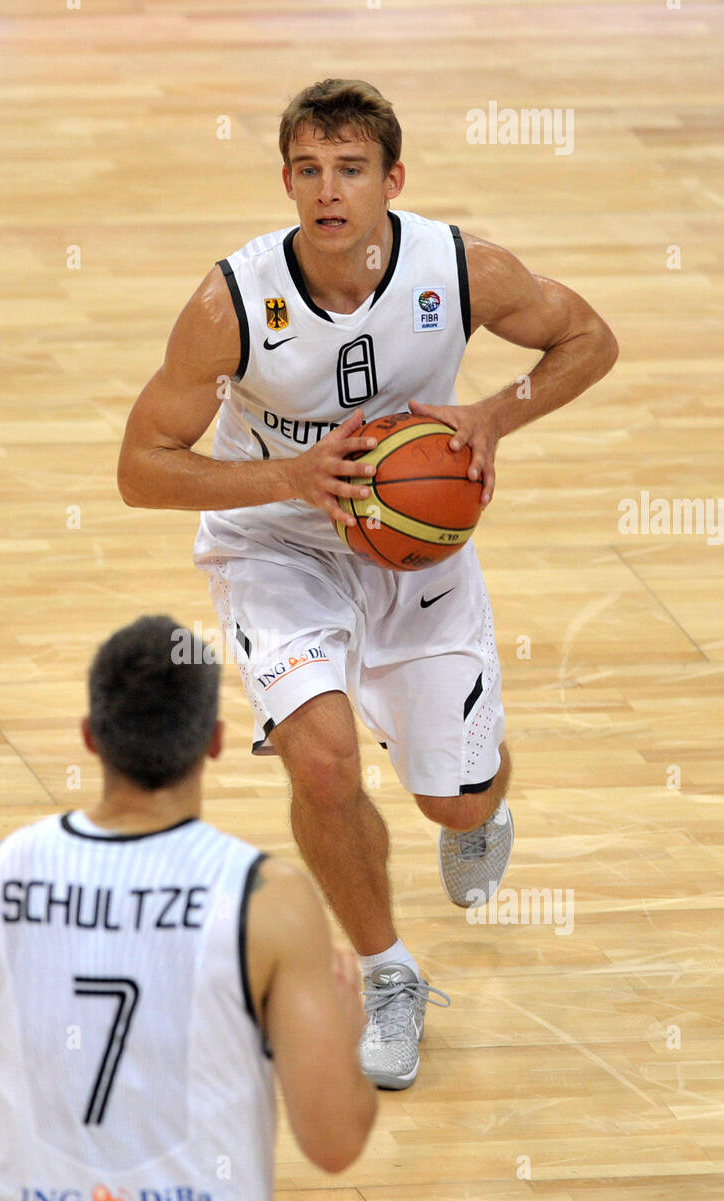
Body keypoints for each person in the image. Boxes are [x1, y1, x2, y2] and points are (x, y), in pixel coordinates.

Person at [117, 78, 618, 1091]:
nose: (327, 190)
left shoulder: (458, 268)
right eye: (307, 169)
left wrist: (490, 416)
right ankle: (388, 972)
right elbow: (139, 469)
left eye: (349, 169)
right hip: (277, 546)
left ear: (393, 179)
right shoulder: (231, 304)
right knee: (321, 764)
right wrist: (289, 478)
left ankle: (480, 793)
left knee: (452, 805)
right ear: (286, 181)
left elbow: (588, 340)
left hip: (417, 551)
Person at [0, 614, 376, 1201]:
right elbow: (333, 1145)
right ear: (214, 741)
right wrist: (345, 1033)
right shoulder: (267, 897)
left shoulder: (7, 871)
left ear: (91, 737)